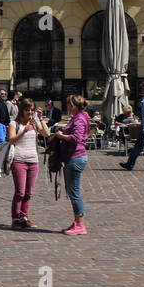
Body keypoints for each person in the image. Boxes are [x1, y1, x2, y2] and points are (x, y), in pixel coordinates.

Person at [8, 98, 50, 228]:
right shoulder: (14, 124)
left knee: (28, 193)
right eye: (28, 110)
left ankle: (24, 217)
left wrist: (41, 119)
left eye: (32, 110)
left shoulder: (34, 122)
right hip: (19, 160)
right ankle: (15, 218)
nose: (30, 112)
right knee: (20, 192)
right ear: (21, 110)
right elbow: (12, 140)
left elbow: (47, 133)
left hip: (33, 161)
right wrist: (24, 130)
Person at [54, 94, 91, 235]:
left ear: (74, 106)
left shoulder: (79, 119)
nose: (67, 107)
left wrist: (61, 136)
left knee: (74, 192)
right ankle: (76, 221)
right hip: (73, 157)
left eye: (68, 104)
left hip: (75, 158)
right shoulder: (77, 118)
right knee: (72, 191)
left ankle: (80, 224)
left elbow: (77, 138)